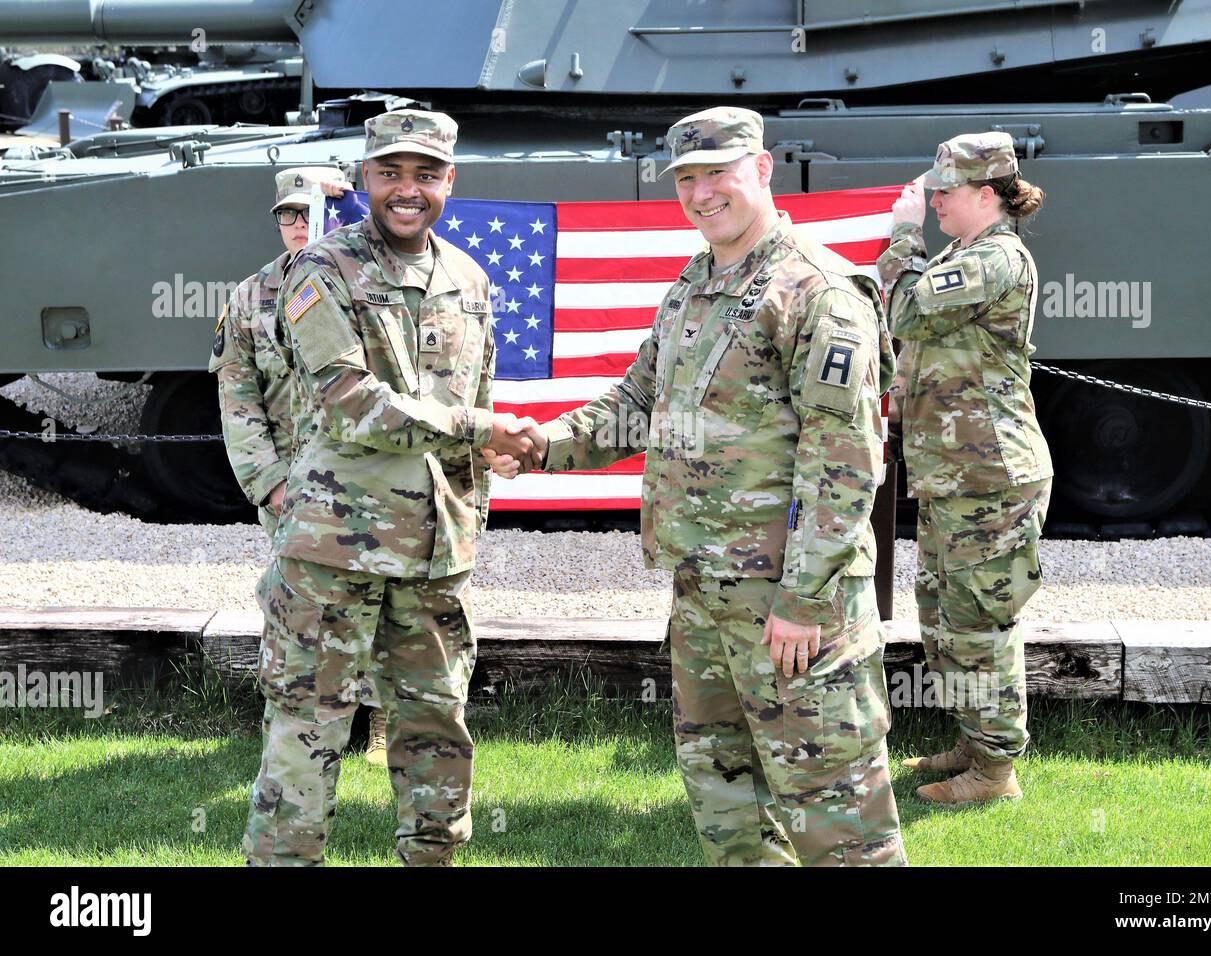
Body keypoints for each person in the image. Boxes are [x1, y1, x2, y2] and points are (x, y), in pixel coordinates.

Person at [487, 107, 906, 866]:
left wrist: (803, 599)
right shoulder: (693, 287)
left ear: (763, 169)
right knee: (725, 802)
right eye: (687, 178)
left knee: (835, 809)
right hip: (704, 592)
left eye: (719, 172)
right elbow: (639, 404)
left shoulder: (818, 292)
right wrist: (544, 445)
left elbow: (842, 460)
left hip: (789, 604)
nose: (702, 192)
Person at [239, 108, 537, 866]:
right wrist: (480, 428)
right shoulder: (322, 270)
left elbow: (477, 396)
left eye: (426, 174)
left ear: (450, 181)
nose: (409, 189)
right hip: (333, 549)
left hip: (435, 550)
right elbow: (349, 401)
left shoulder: (468, 278)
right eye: (391, 173)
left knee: (437, 727)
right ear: (365, 178)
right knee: (308, 728)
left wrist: (480, 489)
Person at [876, 131, 1053, 805]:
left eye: (944, 191)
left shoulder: (995, 258)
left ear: (985, 195)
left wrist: (902, 235)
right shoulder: (962, 255)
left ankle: (995, 772)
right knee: (946, 619)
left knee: (979, 625)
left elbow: (908, 310)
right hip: (957, 476)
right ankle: (976, 744)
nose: (933, 202)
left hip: (990, 479)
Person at [209, 166, 392, 769]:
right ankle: (297, 720)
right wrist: (270, 484)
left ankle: (381, 716)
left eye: (310, 212)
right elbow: (238, 400)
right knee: (294, 603)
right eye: (288, 214)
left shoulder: (372, 286)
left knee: (379, 594)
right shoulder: (250, 298)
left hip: (367, 475)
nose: (298, 224)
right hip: (293, 484)